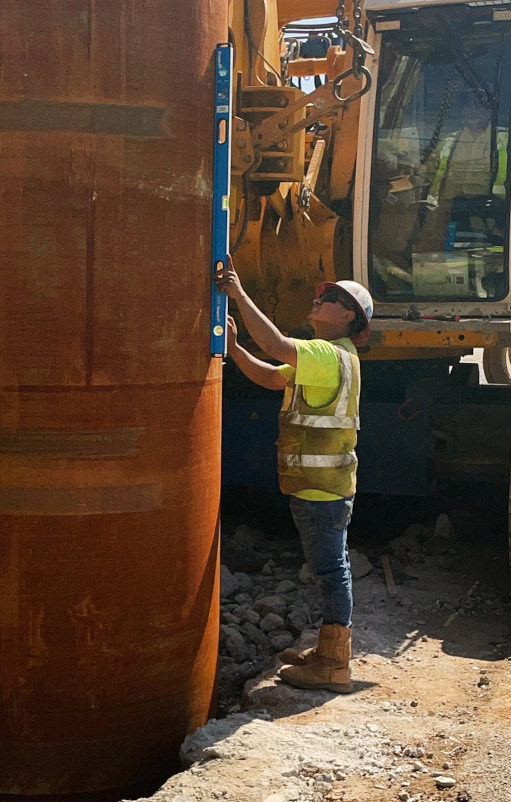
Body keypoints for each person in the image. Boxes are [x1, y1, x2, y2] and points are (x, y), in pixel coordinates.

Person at [215, 257, 372, 694]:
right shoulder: (331, 358)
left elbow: (280, 347)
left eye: (333, 299)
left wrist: (239, 295)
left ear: (348, 317)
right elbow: (271, 377)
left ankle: (334, 665)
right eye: (323, 295)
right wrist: (234, 349)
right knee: (328, 567)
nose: (320, 299)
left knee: (330, 569)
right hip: (321, 487)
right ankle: (328, 652)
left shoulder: (327, 354)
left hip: (322, 490)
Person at [426, 100, 509, 208]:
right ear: (463, 111)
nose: (473, 110)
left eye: (479, 105)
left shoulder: (508, 139)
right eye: (469, 105)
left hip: (492, 211)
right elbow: (430, 173)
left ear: (489, 112)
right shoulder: (448, 141)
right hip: (449, 209)